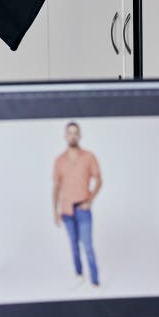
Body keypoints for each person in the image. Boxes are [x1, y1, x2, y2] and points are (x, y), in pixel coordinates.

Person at [53, 121, 103, 287]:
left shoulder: (89, 157)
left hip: (83, 208)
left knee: (87, 246)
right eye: (70, 133)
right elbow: (56, 186)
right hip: (67, 210)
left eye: (76, 132)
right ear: (65, 136)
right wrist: (55, 211)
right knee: (73, 246)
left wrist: (90, 200)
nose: (73, 135)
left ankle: (95, 282)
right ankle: (79, 275)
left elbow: (99, 180)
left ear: (79, 136)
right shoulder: (59, 160)